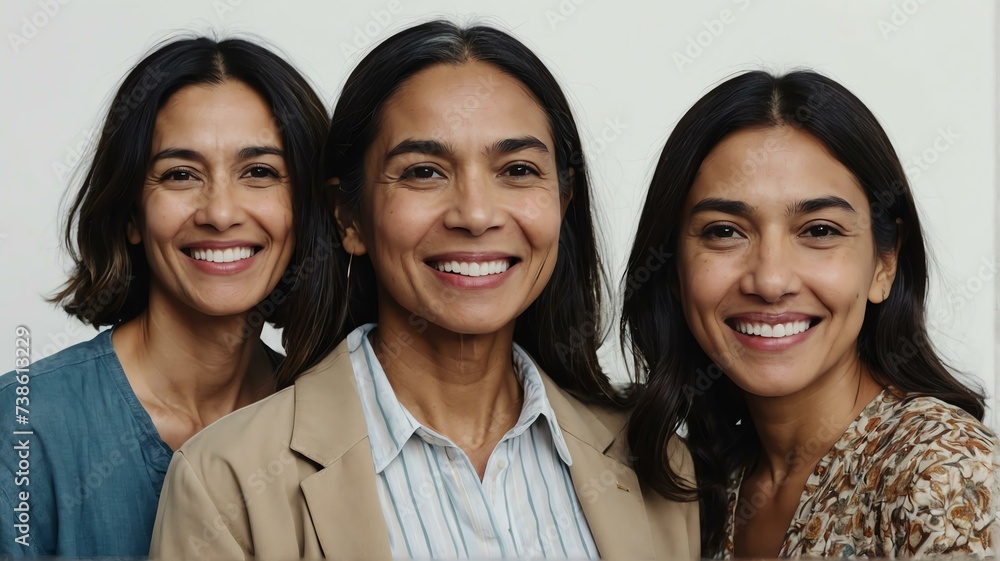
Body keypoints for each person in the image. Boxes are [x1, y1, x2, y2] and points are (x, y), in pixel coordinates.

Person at [149, 20, 699, 560]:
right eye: (424, 172)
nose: (476, 214)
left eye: (518, 169)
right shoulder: (226, 482)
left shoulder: (656, 464)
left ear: (563, 200)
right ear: (350, 217)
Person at [623, 69, 998, 558]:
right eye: (725, 231)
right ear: (673, 266)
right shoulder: (702, 483)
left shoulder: (942, 472)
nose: (771, 280)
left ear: (884, 264)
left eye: (819, 231)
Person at [0, 36, 329, 557]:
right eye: (180, 174)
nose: (220, 213)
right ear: (130, 213)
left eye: (259, 172)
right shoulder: (23, 427)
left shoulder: (333, 420)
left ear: (306, 208)